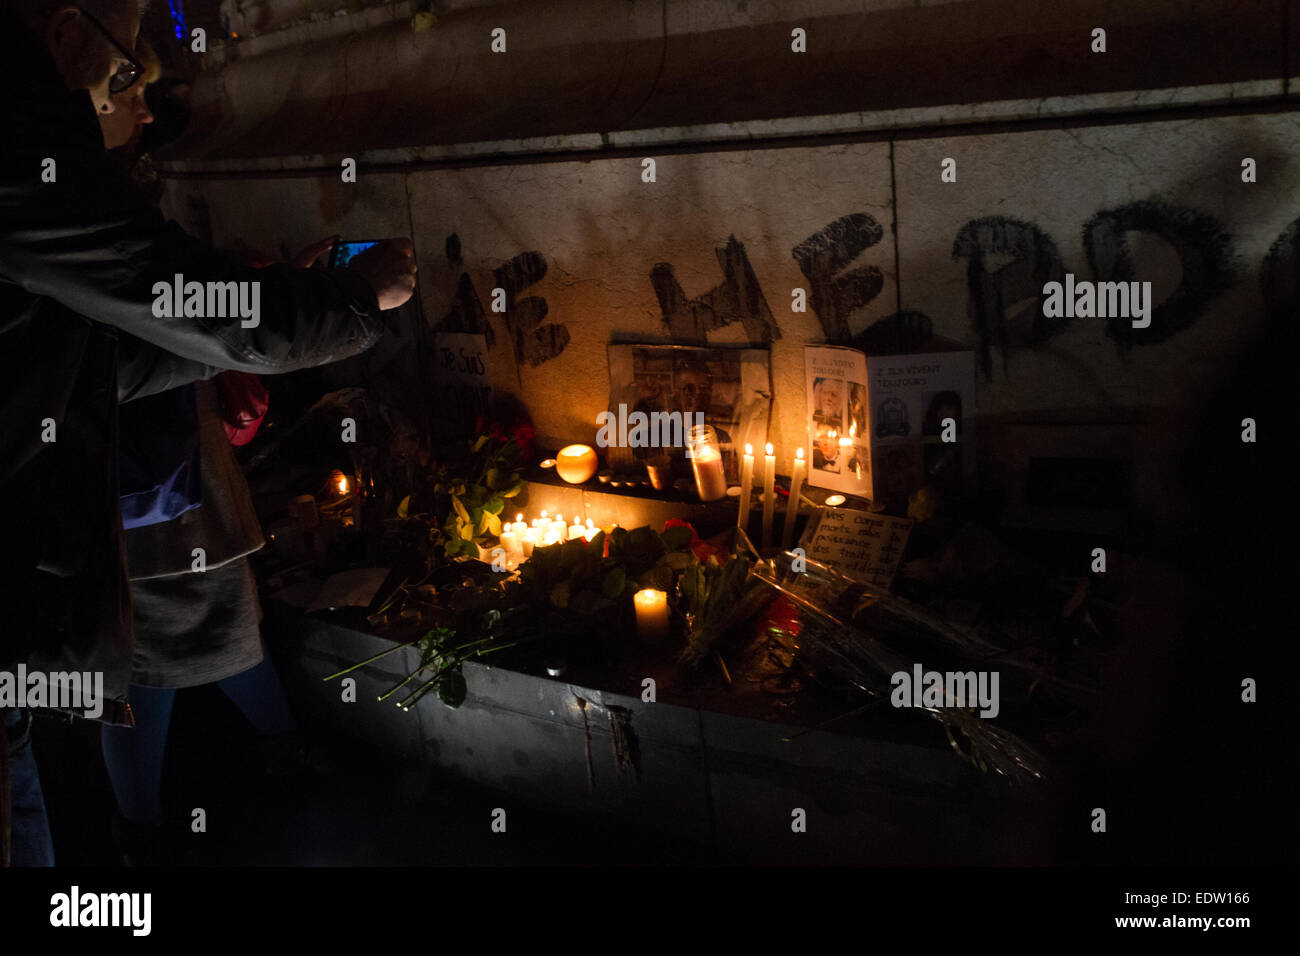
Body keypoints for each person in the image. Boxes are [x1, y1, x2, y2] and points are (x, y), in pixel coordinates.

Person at [0, 0, 416, 863]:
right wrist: (343, 302)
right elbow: (162, 294)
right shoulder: (24, 154)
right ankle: (140, 828)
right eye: (125, 77)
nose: (141, 107)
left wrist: (285, 310)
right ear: (66, 36)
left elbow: (107, 365)